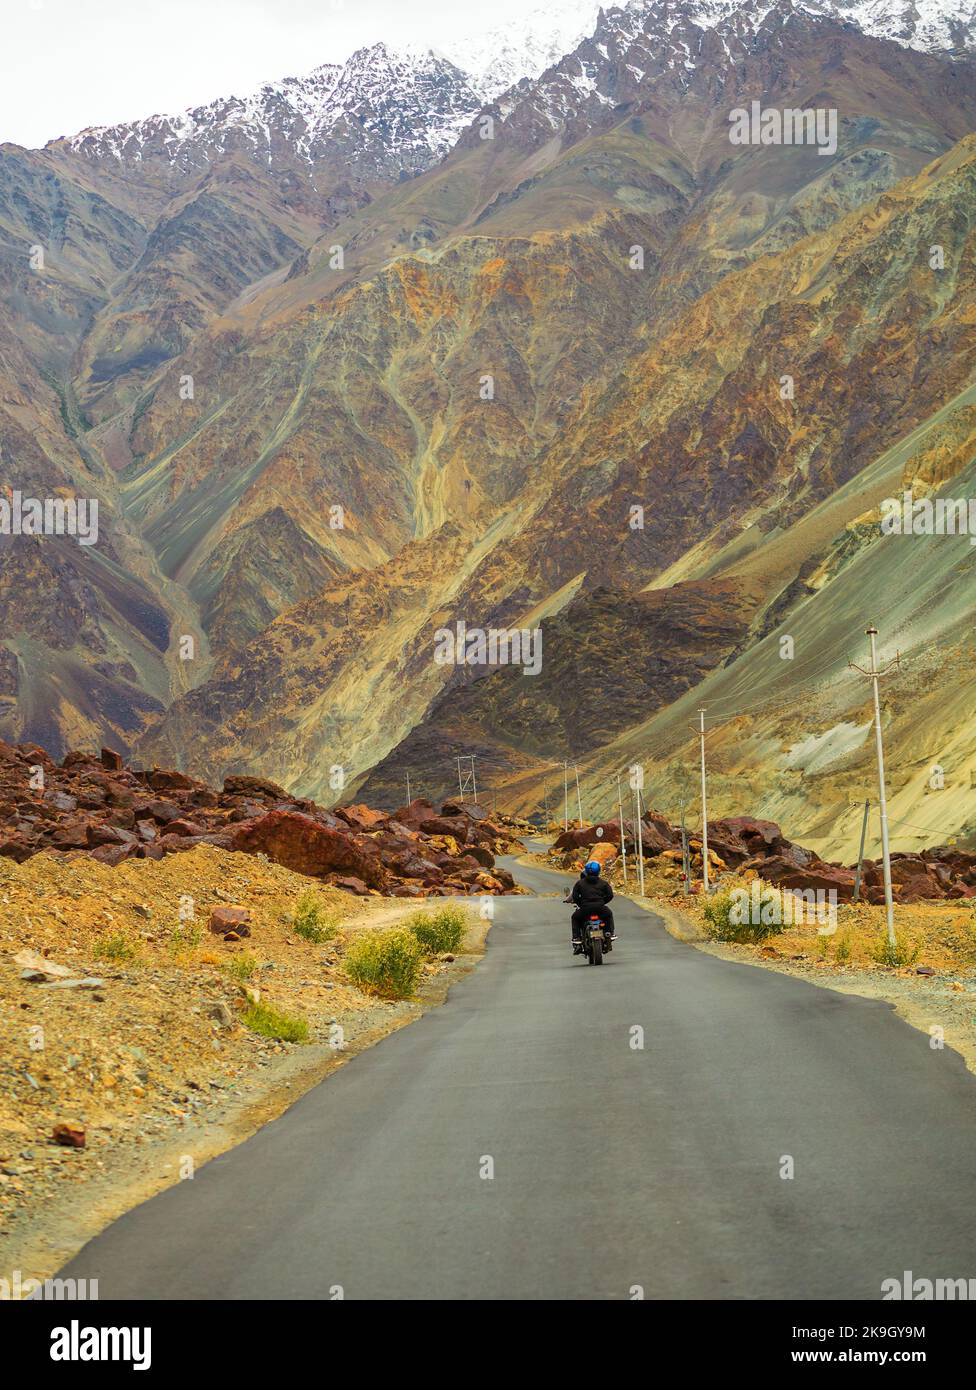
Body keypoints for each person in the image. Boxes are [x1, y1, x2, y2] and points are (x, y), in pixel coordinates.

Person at [568, 859, 615, 954]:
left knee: (575, 917)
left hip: (585, 909)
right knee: (609, 914)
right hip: (600, 908)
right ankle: (609, 933)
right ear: (598, 871)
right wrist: (602, 902)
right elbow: (610, 895)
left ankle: (577, 938)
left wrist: (581, 904)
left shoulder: (580, 883)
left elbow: (576, 897)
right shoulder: (603, 883)